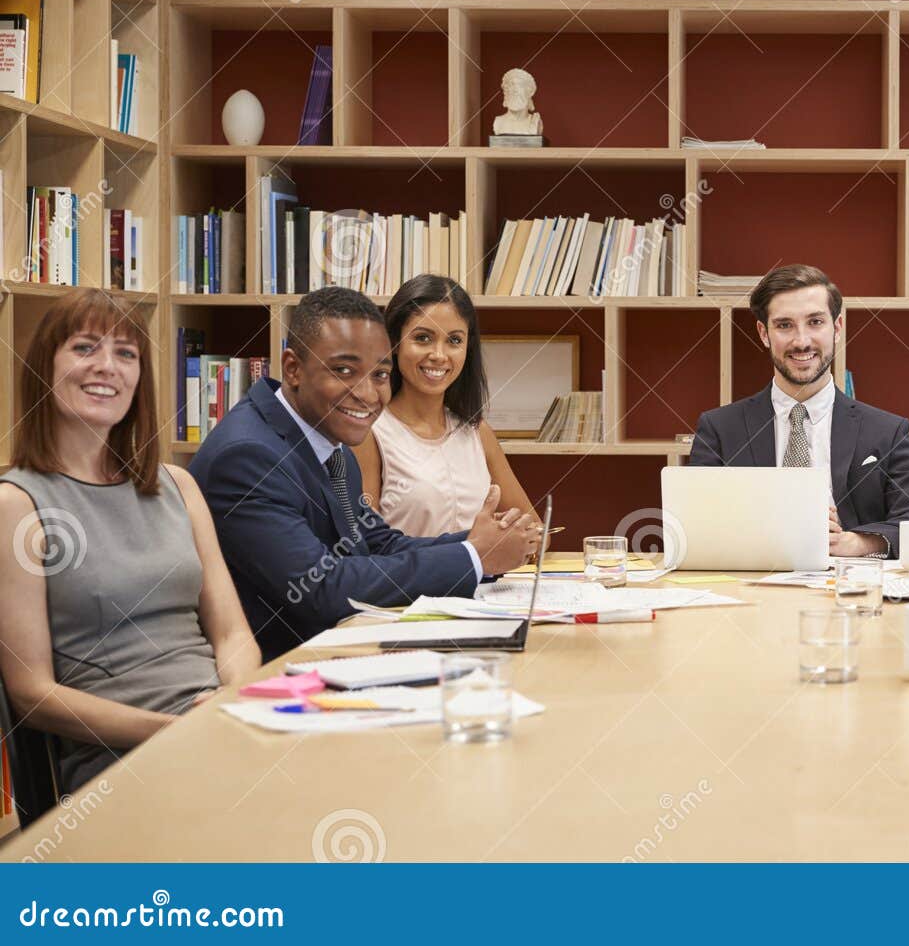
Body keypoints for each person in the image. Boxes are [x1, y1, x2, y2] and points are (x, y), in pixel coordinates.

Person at [190, 286, 542, 660]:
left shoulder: (324, 437)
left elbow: (376, 543)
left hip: (345, 650)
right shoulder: (249, 457)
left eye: (379, 375)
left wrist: (479, 544)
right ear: (293, 368)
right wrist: (473, 556)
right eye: (344, 371)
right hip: (278, 671)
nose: (367, 394)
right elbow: (321, 588)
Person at [0, 290, 260, 791]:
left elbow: (232, 634)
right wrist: (175, 732)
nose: (107, 367)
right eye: (84, 348)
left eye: (126, 353)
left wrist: (233, 701)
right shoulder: (17, 504)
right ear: (42, 367)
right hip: (123, 762)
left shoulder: (179, 486)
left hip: (221, 727)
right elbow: (32, 694)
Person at [687, 264, 909, 558]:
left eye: (815, 322)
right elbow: (696, 526)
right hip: (754, 586)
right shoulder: (719, 428)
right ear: (763, 333)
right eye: (784, 325)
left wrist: (856, 543)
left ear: (837, 328)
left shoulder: (887, 430)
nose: (802, 341)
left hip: (850, 588)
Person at [353, 274, 538, 537]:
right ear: (393, 342)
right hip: (409, 579)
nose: (439, 355)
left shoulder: (477, 431)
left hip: (482, 579)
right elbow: (364, 546)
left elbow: (537, 530)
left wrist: (511, 537)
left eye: (454, 340)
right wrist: (473, 549)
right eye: (423, 338)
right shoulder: (369, 433)